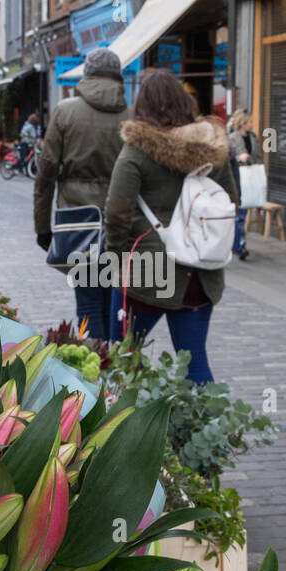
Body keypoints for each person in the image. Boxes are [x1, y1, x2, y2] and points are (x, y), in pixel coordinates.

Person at [105, 69, 237, 381]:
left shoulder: (136, 148)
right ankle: (204, 428)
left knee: (124, 357)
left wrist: (116, 258)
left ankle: (131, 425)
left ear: (142, 106)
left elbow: (117, 211)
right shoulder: (212, 147)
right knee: (194, 363)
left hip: (145, 274)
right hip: (198, 273)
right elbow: (230, 200)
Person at [35, 49, 130, 339]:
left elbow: (45, 175)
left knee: (87, 301)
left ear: (86, 74)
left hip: (78, 222)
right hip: (122, 221)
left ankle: (94, 372)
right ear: (118, 77)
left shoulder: (65, 111)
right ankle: (116, 370)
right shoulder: (132, 115)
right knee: (114, 301)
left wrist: (42, 228)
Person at [226, 110, 262, 261]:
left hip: (250, 178)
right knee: (239, 215)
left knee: (242, 215)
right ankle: (239, 246)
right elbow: (225, 160)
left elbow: (258, 156)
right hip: (236, 179)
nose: (252, 125)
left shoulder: (253, 137)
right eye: (250, 122)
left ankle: (237, 245)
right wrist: (237, 158)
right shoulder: (232, 138)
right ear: (242, 123)